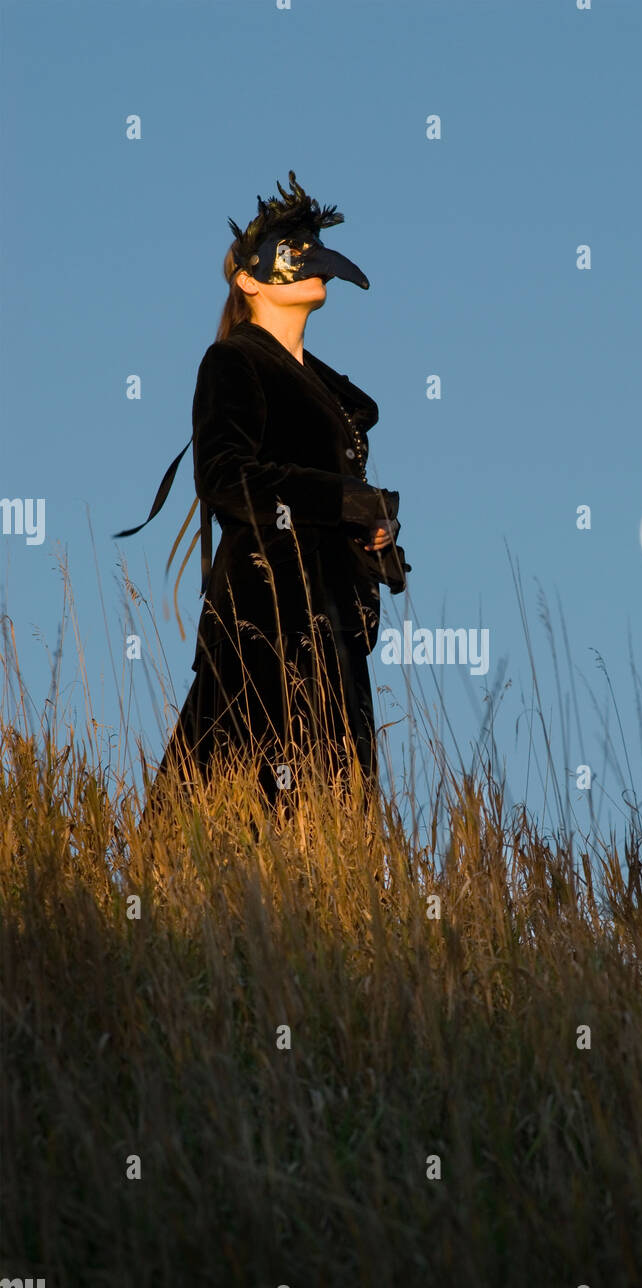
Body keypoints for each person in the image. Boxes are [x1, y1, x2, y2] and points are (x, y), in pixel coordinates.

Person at [117, 170, 410, 817]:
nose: (314, 269)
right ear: (250, 280)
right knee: (221, 812)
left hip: (332, 636)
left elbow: (315, 499)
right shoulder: (233, 363)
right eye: (292, 252)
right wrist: (337, 498)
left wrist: (367, 535)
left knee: (335, 836)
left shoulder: (334, 397)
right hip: (262, 624)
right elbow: (225, 480)